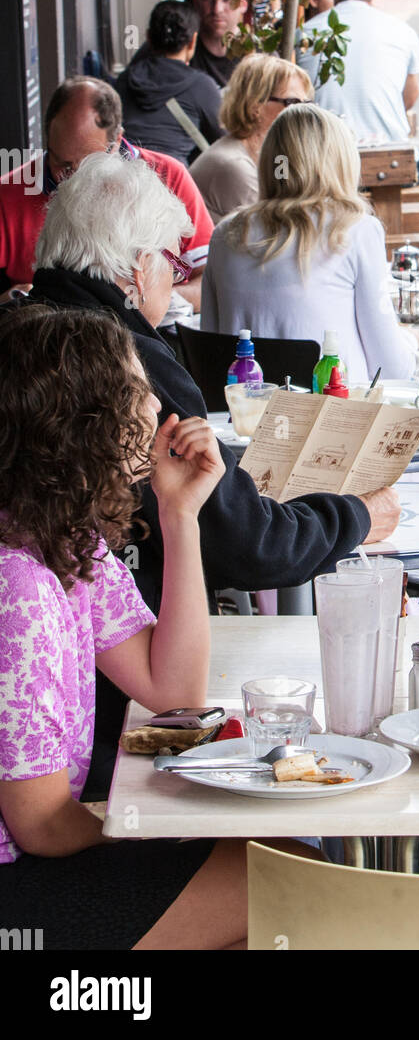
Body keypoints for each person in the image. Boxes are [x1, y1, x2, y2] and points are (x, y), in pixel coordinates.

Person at [24, 153, 399, 791]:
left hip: (121, 674)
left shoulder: (24, 334)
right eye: (172, 262)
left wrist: (180, 509)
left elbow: (174, 683)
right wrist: (356, 515)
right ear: (138, 268)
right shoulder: (116, 362)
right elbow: (251, 546)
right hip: (95, 737)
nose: (176, 282)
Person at [0, 304, 322, 948]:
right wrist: (151, 825)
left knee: (287, 862)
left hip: (41, 857)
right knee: (301, 882)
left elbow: (173, 691)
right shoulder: (20, 589)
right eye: (135, 389)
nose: (155, 407)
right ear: (81, 425)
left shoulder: (60, 541)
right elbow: (41, 827)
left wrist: (180, 516)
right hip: (19, 888)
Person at [201, 103, 418, 382]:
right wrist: (409, 343)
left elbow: (211, 347)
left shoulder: (225, 235)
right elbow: (390, 370)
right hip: (333, 415)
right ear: (341, 161)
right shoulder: (356, 230)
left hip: (244, 417)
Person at [0, 76, 213, 313]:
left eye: (87, 165)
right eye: (62, 164)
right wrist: (10, 301)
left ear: (117, 142)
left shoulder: (168, 177)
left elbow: (210, 281)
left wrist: (162, 298)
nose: (74, 180)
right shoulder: (10, 193)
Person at [297, 0, 419, 254]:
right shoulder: (402, 31)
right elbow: (409, 98)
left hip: (325, 164)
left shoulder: (305, 34)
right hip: (391, 164)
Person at [190, 55, 314, 223]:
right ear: (256, 106)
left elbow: (286, 198)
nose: (302, 113)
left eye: (305, 104)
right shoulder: (235, 167)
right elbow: (273, 233)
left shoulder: (275, 155)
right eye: (292, 102)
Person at [117, 0, 223, 166]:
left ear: (148, 38)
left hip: (122, 177)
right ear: (193, 41)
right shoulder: (202, 86)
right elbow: (224, 140)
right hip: (172, 184)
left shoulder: (125, 80)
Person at [189, 0, 252, 88]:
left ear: (242, 4)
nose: (217, 9)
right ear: (196, 1)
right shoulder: (179, 49)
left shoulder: (259, 55)